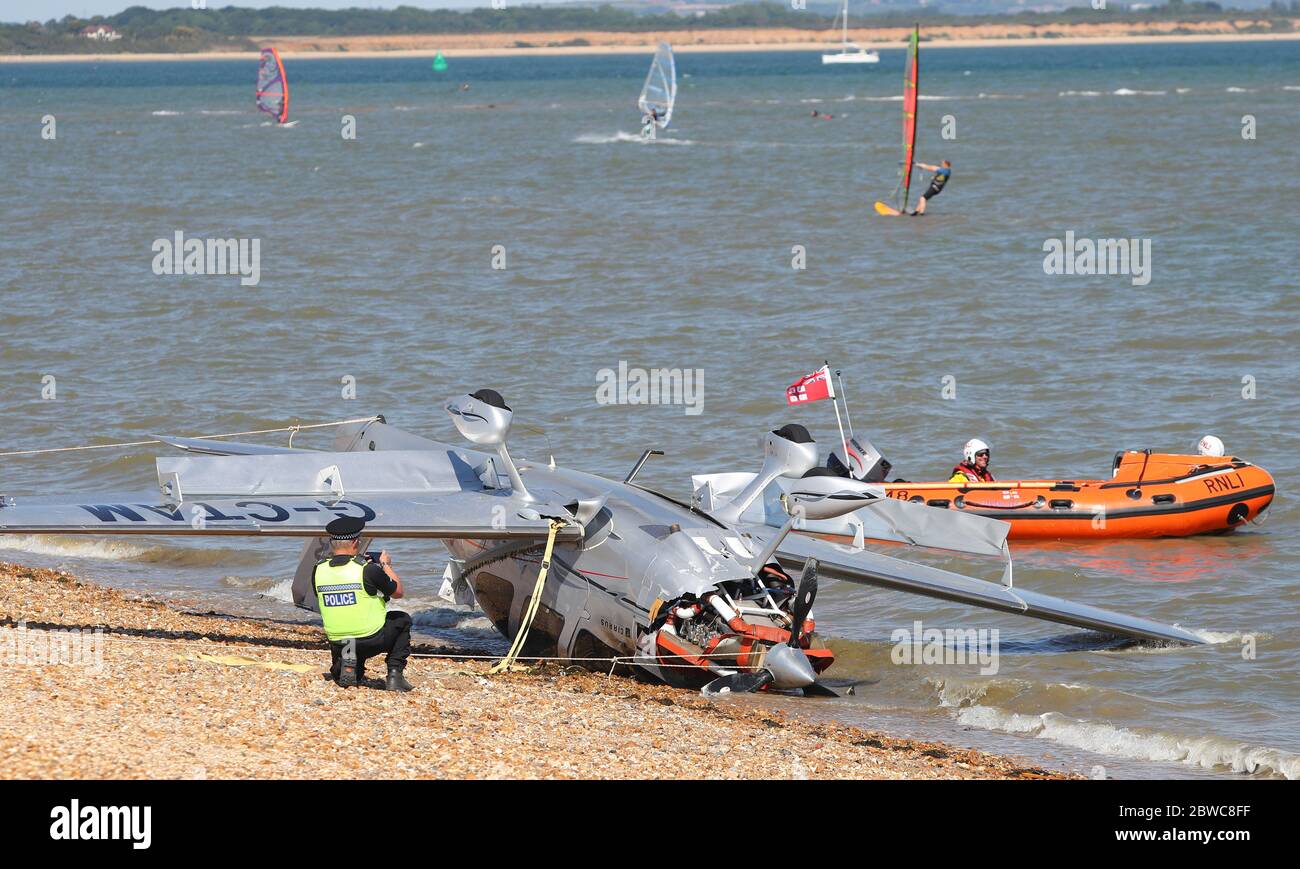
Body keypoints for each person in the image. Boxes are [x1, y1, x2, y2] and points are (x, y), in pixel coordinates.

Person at [314, 516, 413, 692]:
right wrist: (385, 565)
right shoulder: (366, 569)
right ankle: (395, 675)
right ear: (355, 542)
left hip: (338, 641)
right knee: (402, 619)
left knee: (351, 669)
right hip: (370, 638)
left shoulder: (318, 569)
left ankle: (344, 666)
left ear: (331, 543)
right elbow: (398, 592)